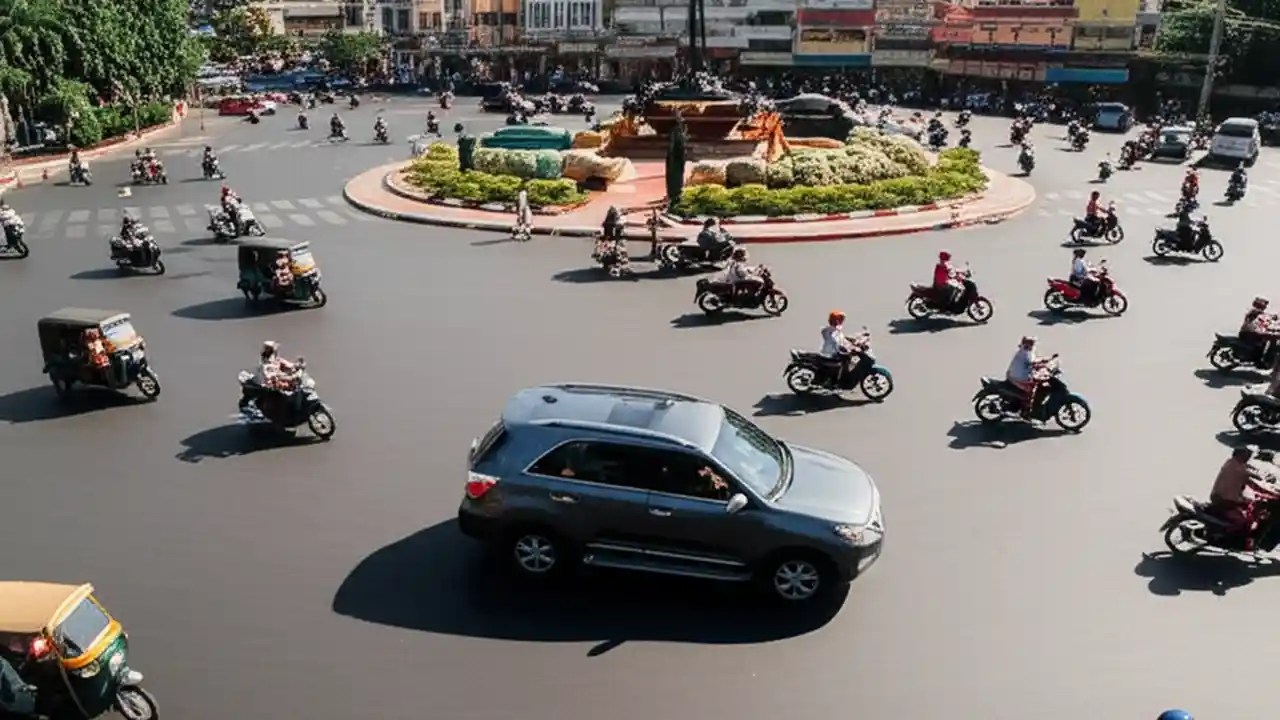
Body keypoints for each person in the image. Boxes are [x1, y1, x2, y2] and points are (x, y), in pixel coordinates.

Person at [1208, 446, 1279, 545]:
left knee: (1252, 505)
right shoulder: (1239, 468)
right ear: (1241, 454)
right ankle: (1226, 539)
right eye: (1247, 454)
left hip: (1223, 495)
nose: (1249, 456)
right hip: (1226, 499)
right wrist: (1272, 493)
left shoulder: (1232, 462)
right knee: (1244, 519)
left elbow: (1250, 473)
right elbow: (1255, 482)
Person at [1006, 336, 1053, 417]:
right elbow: (1033, 363)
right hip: (1017, 377)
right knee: (1031, 389)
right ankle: (1025, 410)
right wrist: (1043, 361)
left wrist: (1043, 362)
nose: (1033, 346)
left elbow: (1032, 362)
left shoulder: (1024, 350)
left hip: (1015, 374)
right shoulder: (1025, 353)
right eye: (1032, 344)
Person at [1239, 296, 1279, 363]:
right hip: (1248, 333)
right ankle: (1261, 359)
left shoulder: (1256, 312)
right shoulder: (1254, 312)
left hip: (1252, 332)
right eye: (1264, 305)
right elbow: (1262, 317)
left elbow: (1265, 319)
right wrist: (1272, 318)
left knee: (1266, 338)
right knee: (1268, 338)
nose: (1265, 307)